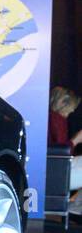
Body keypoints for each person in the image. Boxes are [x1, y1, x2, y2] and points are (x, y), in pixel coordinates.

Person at [48, 85, 82, 219]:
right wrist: (76, 140)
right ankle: (75, 207)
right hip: (57, 173)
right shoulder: (57, 119)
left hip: (57, 169)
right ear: (62, 104)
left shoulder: (52, 118)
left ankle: (76, 206)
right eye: (69, 110)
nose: (71, 112)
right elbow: (60, 153)